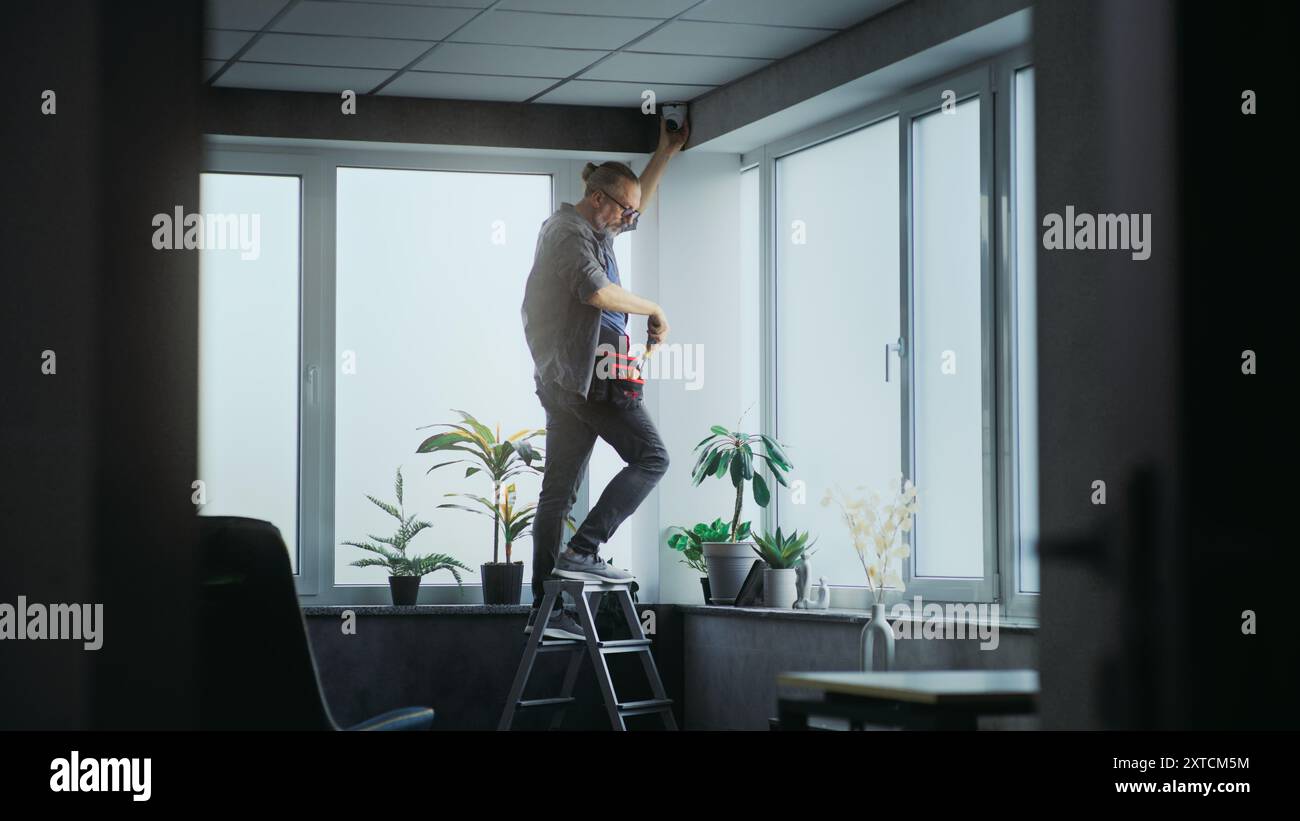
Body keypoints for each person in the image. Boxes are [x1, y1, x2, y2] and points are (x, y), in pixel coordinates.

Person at [520, 117, 689, 639]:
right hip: (590, 375)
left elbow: (637, 201)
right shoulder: (569, 231)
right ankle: (584, 551)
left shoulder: (597, 226)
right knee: (653, 457)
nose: (628, 220)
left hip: (566, 381)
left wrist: (664, 153)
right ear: (598, 199)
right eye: (623, 210)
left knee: (557, 494)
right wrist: (654, 308)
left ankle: (545, 613)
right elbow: (595, 293)